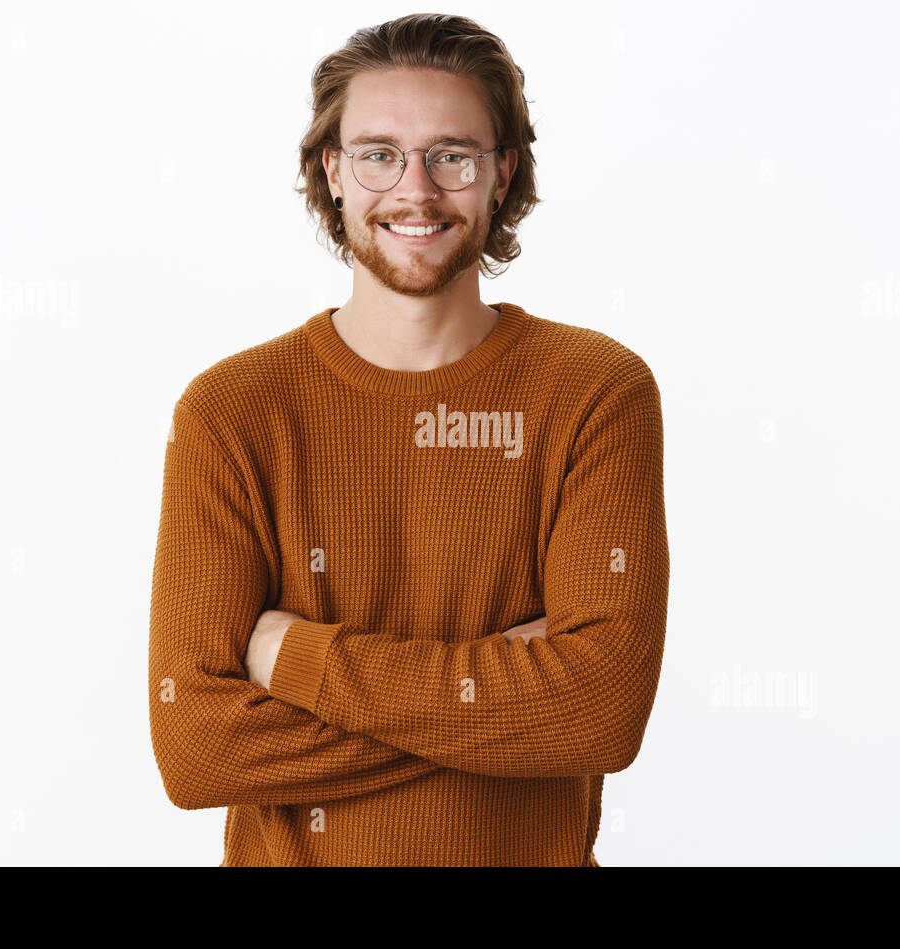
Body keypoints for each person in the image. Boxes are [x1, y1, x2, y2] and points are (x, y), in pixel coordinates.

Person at [148, 12, 670, 866]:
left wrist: (295, 659)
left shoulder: (595, 393)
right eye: (379, 154)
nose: (415, 192)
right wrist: (504, 692)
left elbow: (601, 712)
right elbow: (198, 749)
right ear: (334, 171)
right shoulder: (233, 411)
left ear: (502, 173)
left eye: (452, 156)